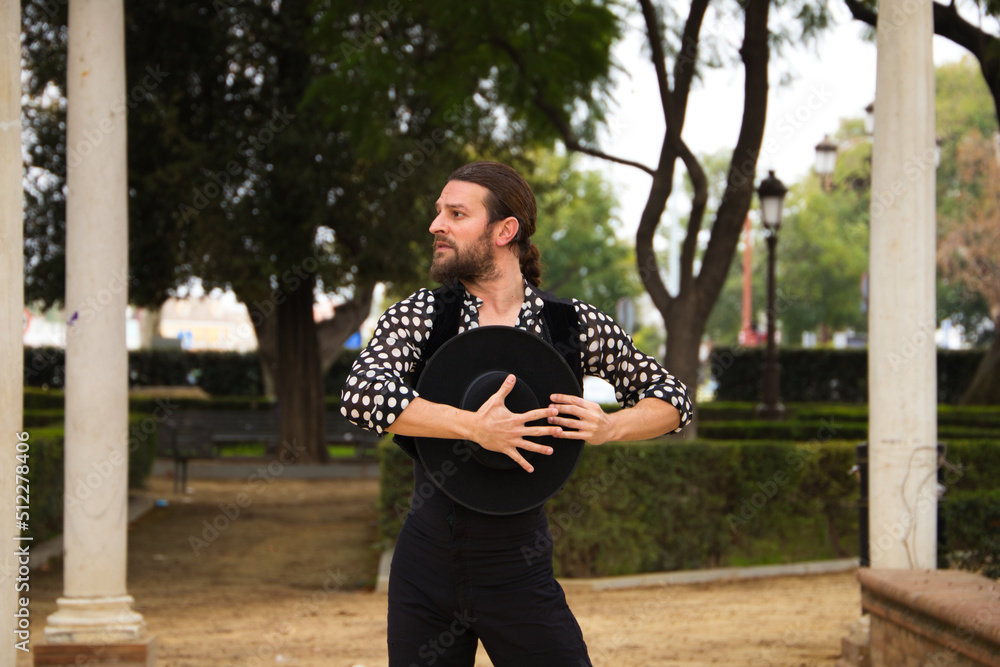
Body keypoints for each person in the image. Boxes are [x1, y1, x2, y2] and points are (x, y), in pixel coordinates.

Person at [341, 161, 693, 666]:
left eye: (455, 213)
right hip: (425, 562)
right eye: (439, 211)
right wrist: (474, 427)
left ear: (505, 231)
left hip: (518, 566)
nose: (435, 224)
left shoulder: (572, 323)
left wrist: (611, 425)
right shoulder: (420, 313)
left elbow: (672, 398)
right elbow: (360, 393)